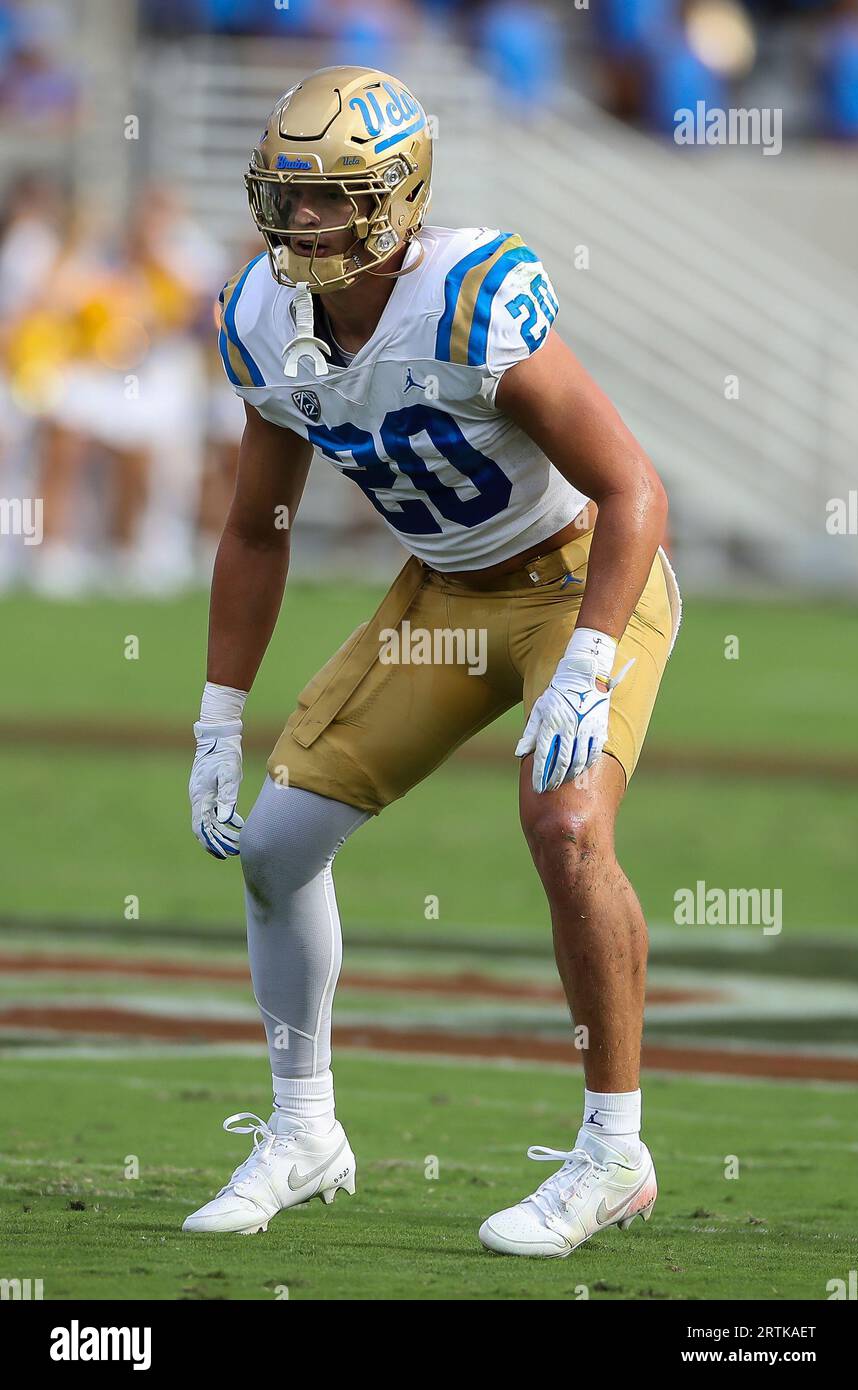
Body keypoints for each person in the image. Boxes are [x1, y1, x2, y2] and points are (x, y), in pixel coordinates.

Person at [184, 65, 680, 1257]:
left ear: (397, 197)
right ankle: (304, 1131)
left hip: (576, 578)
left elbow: (632, 490)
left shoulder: (466, 296)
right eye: (287, 197)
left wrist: (589, 660)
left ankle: (613, 1150)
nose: (301, 223)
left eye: (329, 199)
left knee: (564, 828)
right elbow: (257, 527)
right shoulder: (260, 317)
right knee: (278, 846)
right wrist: (217, 712)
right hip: (444, 595)